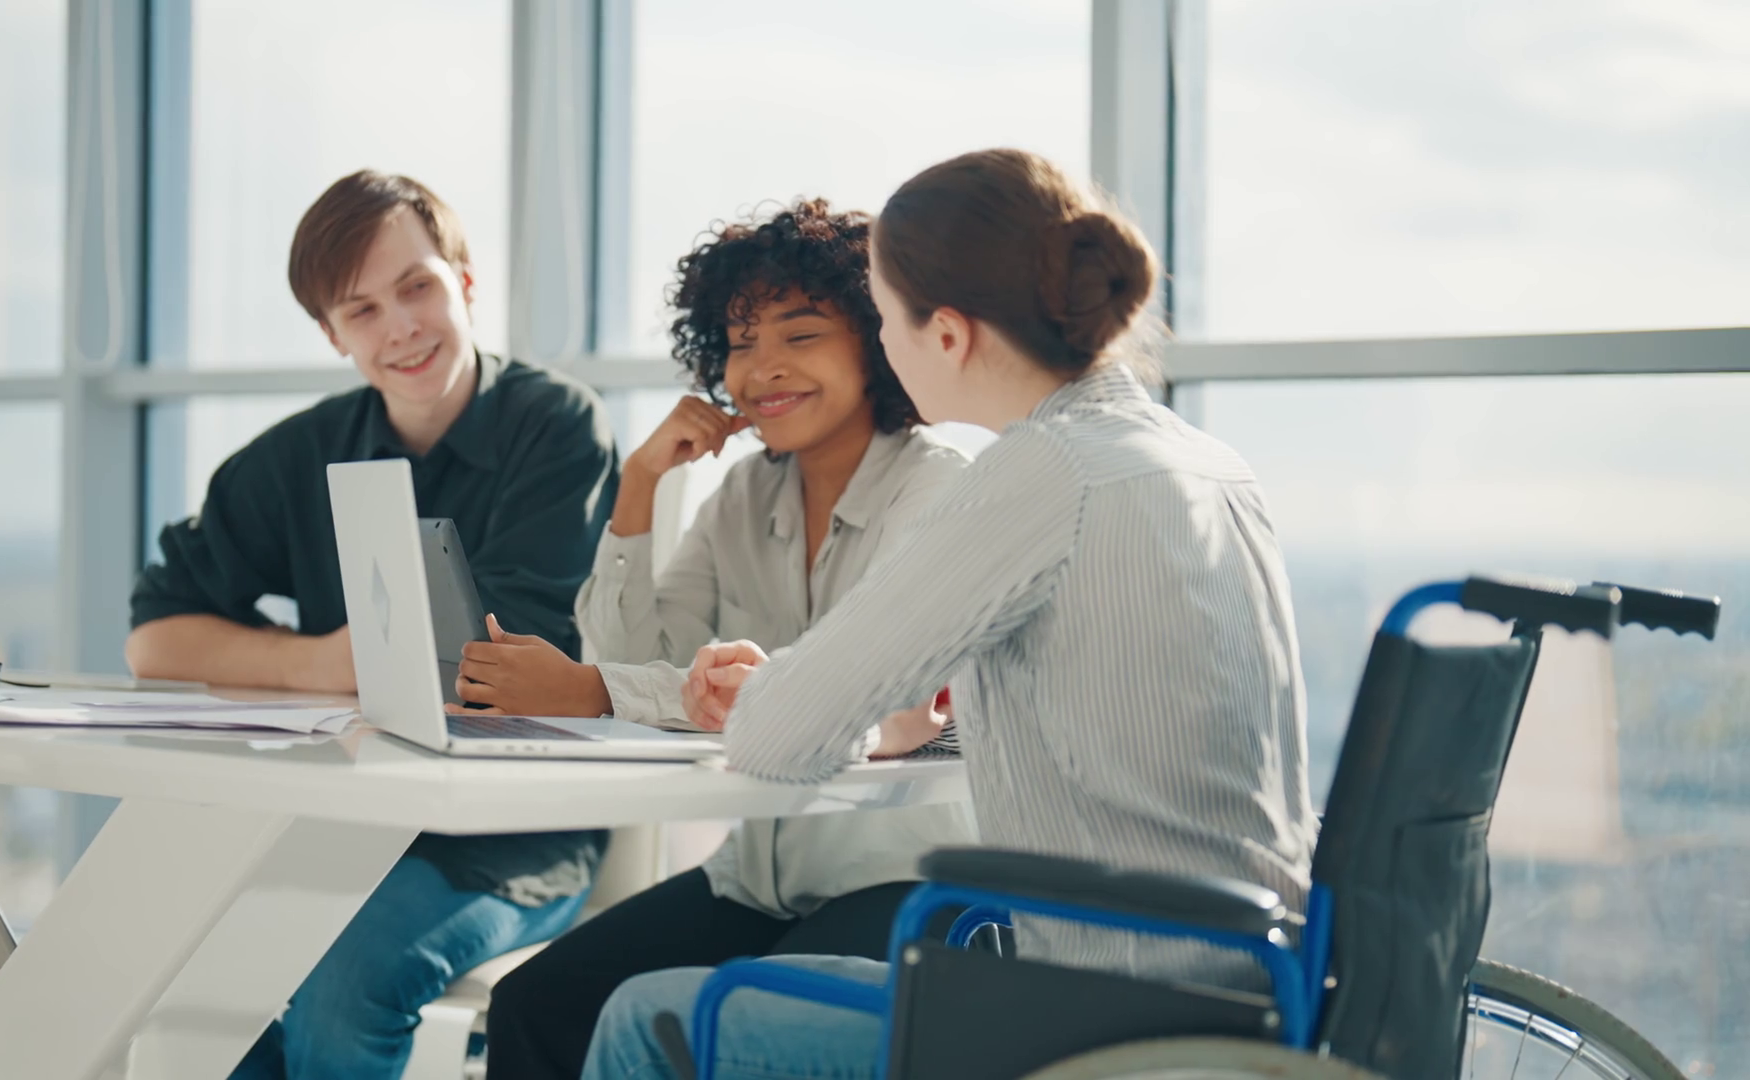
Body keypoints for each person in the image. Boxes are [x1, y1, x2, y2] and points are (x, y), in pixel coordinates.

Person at [578, 149, 1318, 1080]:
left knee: (651, 1016)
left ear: (949, 334)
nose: (885, 345)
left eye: (884, 319)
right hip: (1265, 982)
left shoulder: (1037, 476)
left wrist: (765, 688)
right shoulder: (1209, 464)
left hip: (1104, 1010)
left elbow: (780, 740)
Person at [124, 170, 619, 1080]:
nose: (400, 328)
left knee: (343, 986)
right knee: (184, 978)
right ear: (331, 334)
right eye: (361, 309)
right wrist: (320, 661)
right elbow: (156, 638)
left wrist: (349, 663)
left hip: (507, 833)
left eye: (418, 287)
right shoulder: (300, 454)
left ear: (466, 282)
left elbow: (480, 668)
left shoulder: (558, 429)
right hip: (345, 821)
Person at [473, 200, 976, 1079]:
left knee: (734, 1028)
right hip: (759, 877)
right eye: (741, 343)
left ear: (874, 343)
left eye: (801, 334)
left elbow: (851, 691)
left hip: (905, 879)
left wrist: (593, 691)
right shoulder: (745, 494)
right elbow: (631, 661)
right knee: (537, 1004)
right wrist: (638, 487)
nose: (762, 369)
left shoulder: (938, 491)